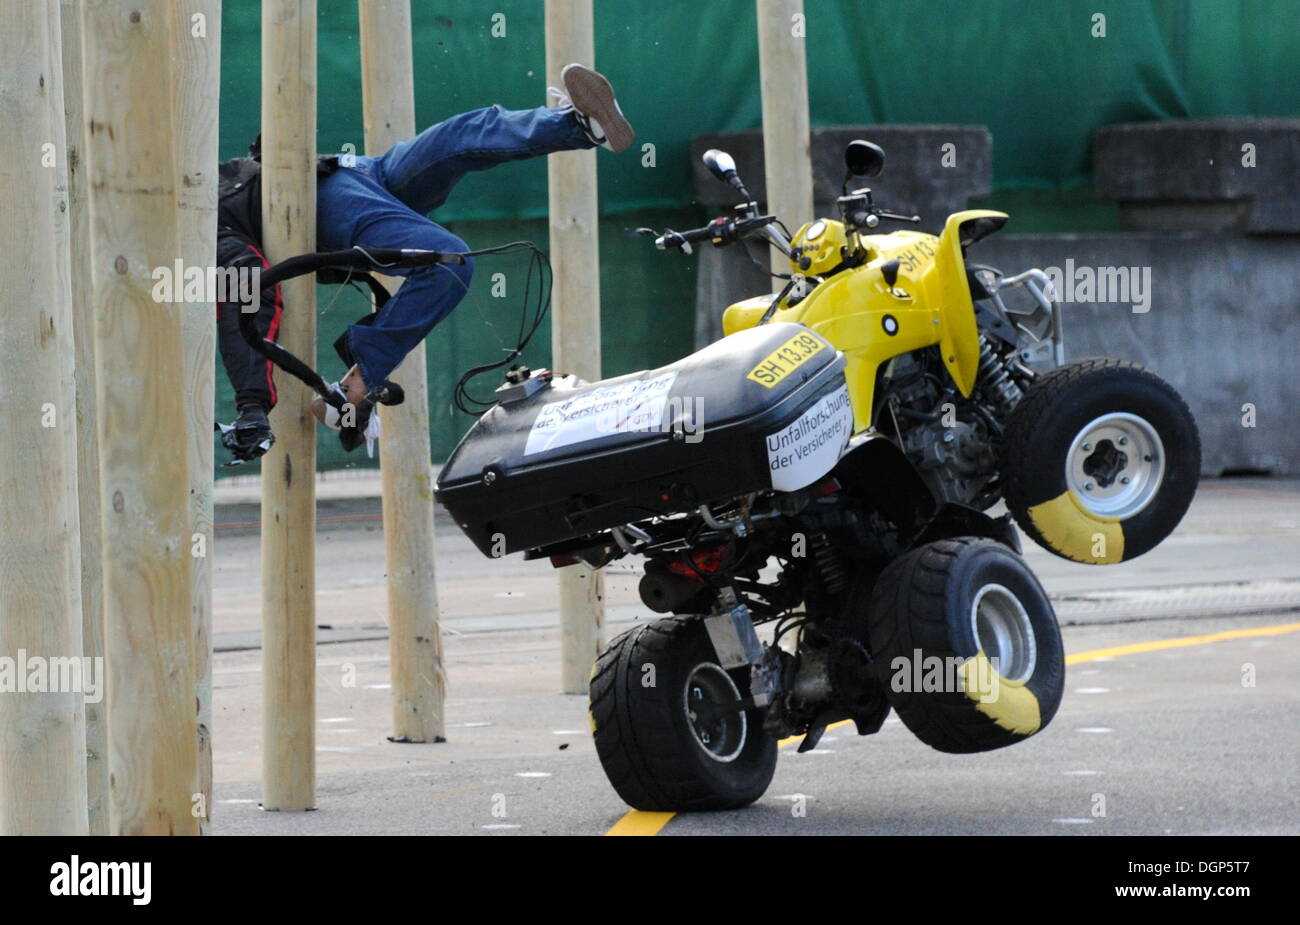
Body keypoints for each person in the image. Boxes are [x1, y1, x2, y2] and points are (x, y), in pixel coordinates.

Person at [216, 63, 633, 462]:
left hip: (364, 171)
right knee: (446, 261)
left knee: (458, 136)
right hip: (330, 204)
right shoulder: (202, 221)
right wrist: (252, 405)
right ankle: (359, 384)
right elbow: (247, 295)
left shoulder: (204, 176)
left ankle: (577, 126)